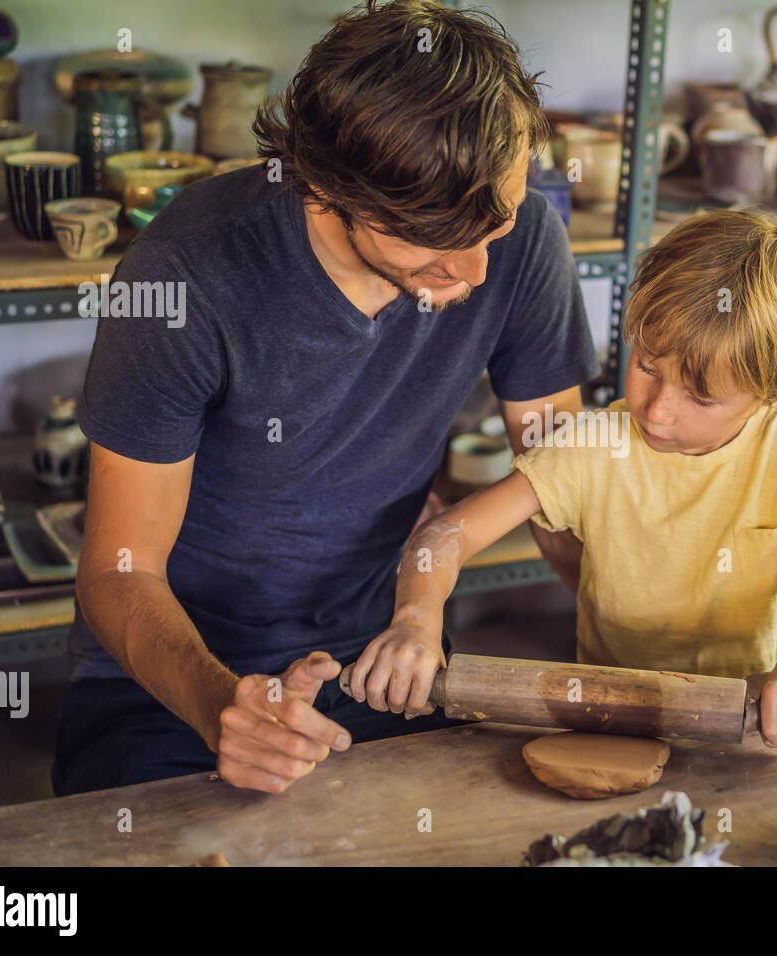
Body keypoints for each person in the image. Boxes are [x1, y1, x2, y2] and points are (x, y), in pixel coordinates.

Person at [53, 0, 599, 795]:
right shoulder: (186, 275)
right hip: (171, 681)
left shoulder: (515, 246)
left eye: (496, 226)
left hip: (388, 656)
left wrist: (645, 628)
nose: (477, 273)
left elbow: (563, 483)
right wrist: (223, 711)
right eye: (437, 242)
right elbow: (116, 572)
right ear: (327, 185)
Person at [342, 210, 777, 749]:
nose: (659, 410)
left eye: (700, 397)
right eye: (648, 365)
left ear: (772, 392)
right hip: (613, 710)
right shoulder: (593, 444)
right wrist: (415, 620)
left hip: (754, 710)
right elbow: (445, 536)